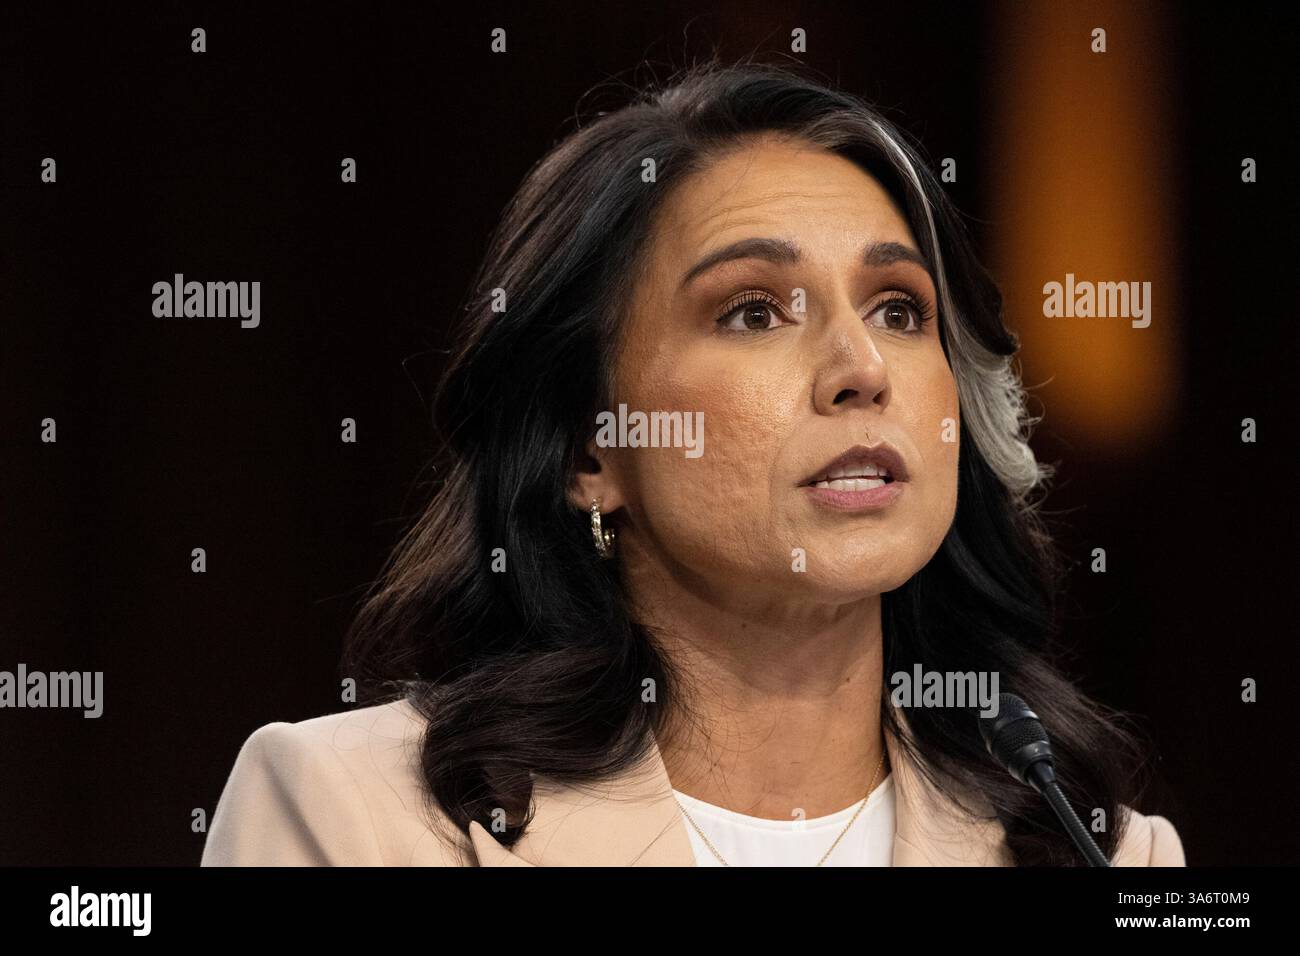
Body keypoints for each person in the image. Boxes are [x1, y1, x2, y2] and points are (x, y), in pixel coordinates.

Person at [201, 60, 1185, 867]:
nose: (861, 370)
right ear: (591, 449)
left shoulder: (1105, 855)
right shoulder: (352, 816)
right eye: (753, 311)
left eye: (898, 309)